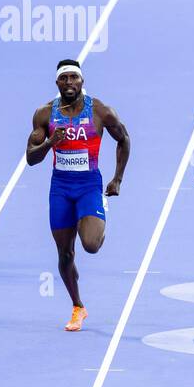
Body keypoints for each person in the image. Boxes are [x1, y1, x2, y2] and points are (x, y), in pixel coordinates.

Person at [25, 60, 130, 331]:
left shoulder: (100, 111)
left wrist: (117, 178)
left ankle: (97, 214)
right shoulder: (45, 114)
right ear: (57, 83)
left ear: (82, 81)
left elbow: (124, 139)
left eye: (74, 78)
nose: (69, 82)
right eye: (64, 78)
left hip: (88, 185)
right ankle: (77, 306)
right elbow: (30, 159)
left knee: (91, 245)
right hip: (60, 188)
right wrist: (51, 142)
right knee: (65, 255)